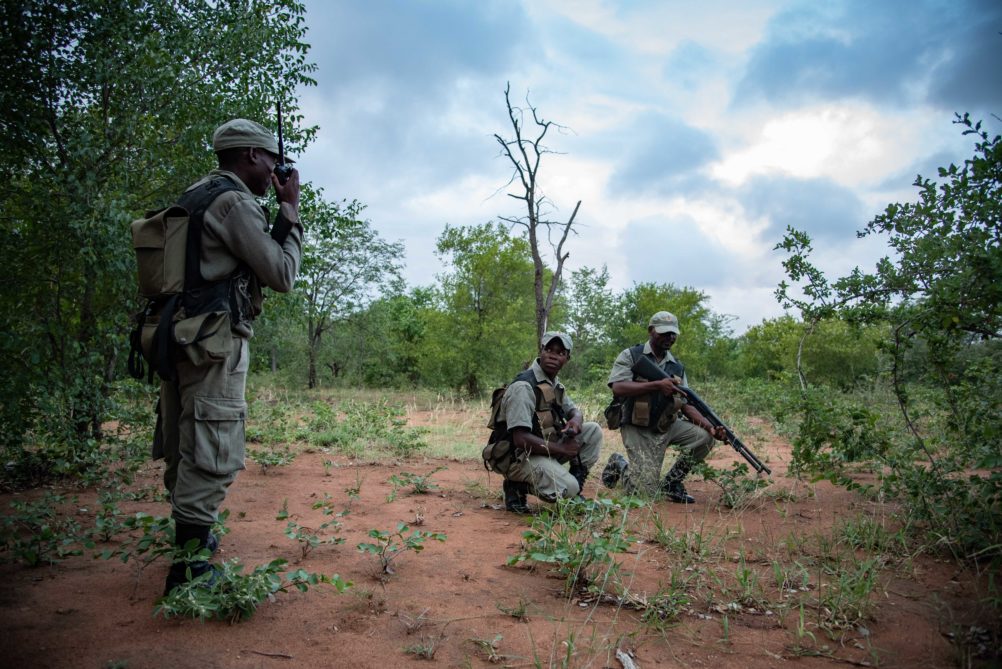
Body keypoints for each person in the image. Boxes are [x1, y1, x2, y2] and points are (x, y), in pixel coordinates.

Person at [157, 119, 304, 595]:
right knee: (212, 447)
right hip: (214, 342)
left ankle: (192, 541)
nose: (273, 170)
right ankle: (190, 569)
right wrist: (291, 209)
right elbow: (281, 273)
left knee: (187, 439)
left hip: (178, 336)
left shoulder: (197, 193)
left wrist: (277, 211)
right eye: (268, 159)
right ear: (248, 156)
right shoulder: (235, 202)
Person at [601, 311, 725, 503]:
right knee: (642, 493)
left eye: (673, 333)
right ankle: (619, 464)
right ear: (651, 331)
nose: (670, 338)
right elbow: (618, 387)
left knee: (704, 437)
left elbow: (685, 404)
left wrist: (709, 426)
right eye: (664, 333)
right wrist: (657, 385)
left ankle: (672, 483)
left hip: (665, 425)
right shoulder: (631, 355)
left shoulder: (676, 366)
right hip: (636, 425)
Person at [490, 332, 603, 513]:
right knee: (569, 487)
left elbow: (573, 410)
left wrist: (575, 420)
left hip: (542, 448)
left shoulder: (553, 383)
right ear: (541, 350)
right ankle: (516, 485)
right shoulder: (524, 386)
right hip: (517, 456)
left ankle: (574, 493)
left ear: (567, 358)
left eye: (560, 352)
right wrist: (564, 449)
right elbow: (520, 439)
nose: (552, 355)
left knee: (593, 431)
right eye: (548, 349)